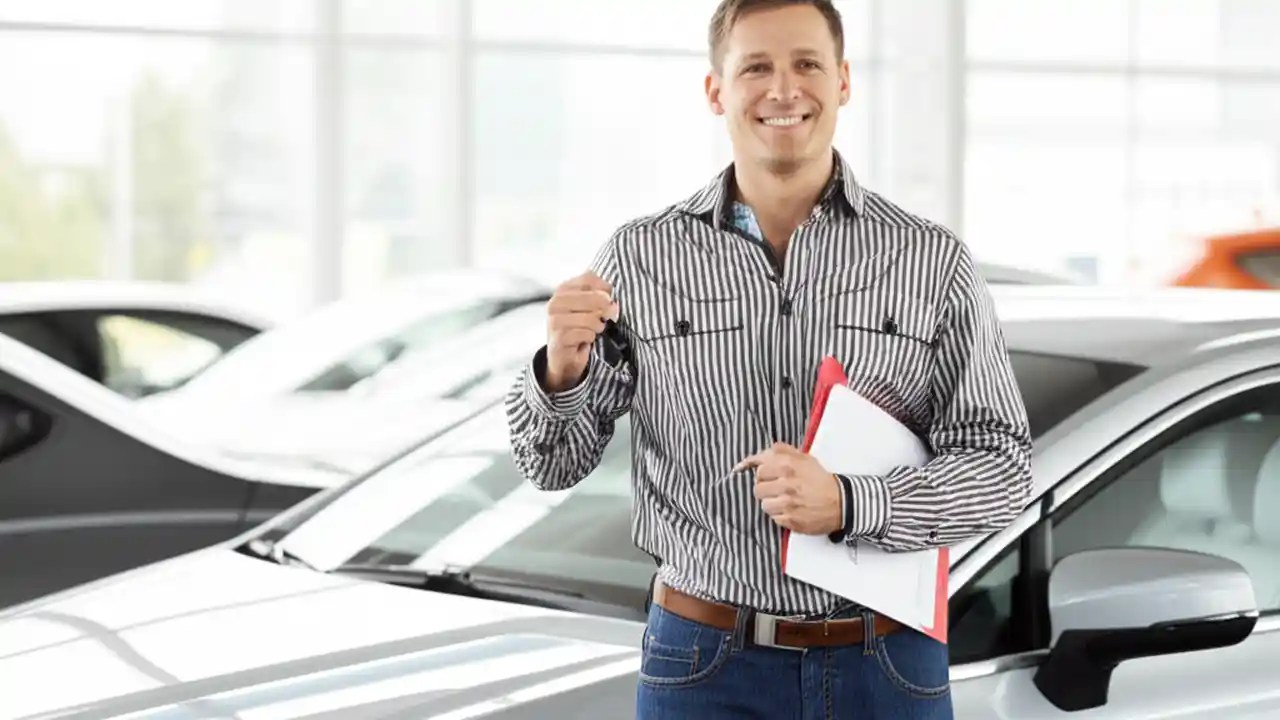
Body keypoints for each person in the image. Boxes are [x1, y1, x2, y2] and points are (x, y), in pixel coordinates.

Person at [505, 0, 1032, 716]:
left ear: (843, 81)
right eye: (756, 67)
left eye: (806, 64)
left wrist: (850, 502)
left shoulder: (932, 262)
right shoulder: (641, 258)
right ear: (716, 90)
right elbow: (550, 465)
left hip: (887, 665)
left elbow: (1002, 471)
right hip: (703, 665)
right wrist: (560, 371)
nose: (784, 89)